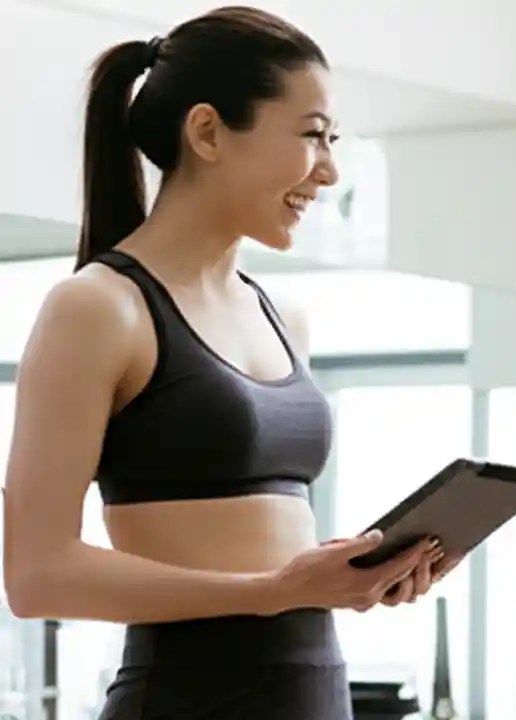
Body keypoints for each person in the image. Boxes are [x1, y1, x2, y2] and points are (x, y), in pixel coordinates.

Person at [1, 7, 451, 719]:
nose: (329, 171)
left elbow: (270, 544)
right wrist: (275, 591)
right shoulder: (96, 309)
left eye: (333, 141)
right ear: (207, 132)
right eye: (311, 136)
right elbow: (37, 576)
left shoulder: (283, 318)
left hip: (313, 696)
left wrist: (357, 573)